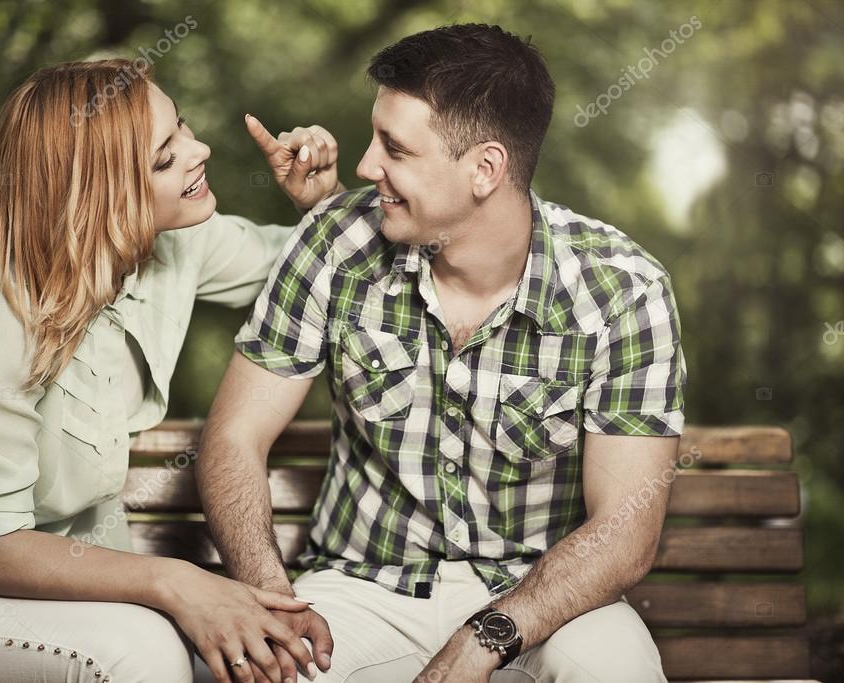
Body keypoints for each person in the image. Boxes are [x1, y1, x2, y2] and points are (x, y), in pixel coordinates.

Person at [0, 58, 343, 683]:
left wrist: (323, 203)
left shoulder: (177, 245)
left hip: (63, 600)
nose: (199, 150)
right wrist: (179, 581)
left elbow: (314, 272)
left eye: (183, 128)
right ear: (101, 189)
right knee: (142, 653)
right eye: (164, 157)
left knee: (249, 660)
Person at [196, 24, 685, 683]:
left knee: (614, 670)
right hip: (362, 586)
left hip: (543, 596)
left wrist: (482, 642)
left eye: (394, 148)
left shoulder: (624, 291)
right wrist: (272, 603)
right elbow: (232, 436)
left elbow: (626, 530)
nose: (367, 168)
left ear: (485, 169)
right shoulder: (335, 243)